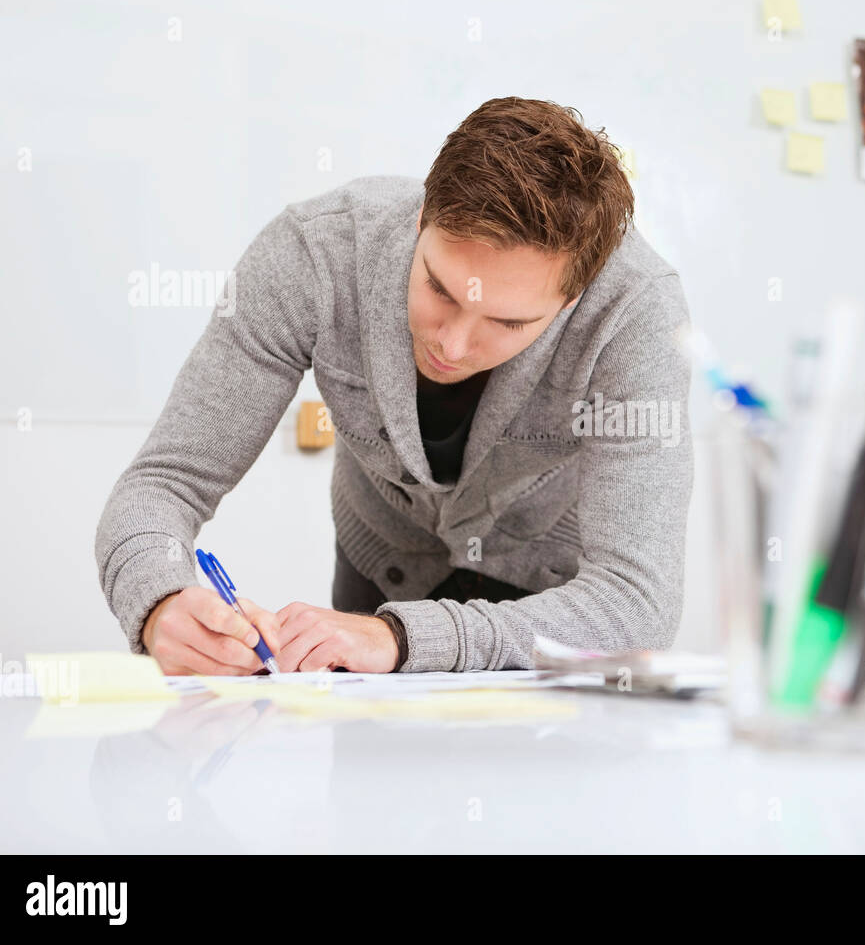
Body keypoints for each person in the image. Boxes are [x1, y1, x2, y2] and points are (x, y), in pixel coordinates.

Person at [95, 97, 693, 675]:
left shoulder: (636, 311)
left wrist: (405, 638)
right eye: (440, 288)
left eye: (508, 322)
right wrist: (160, 602)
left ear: (573, 299)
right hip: (381, 565)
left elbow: (635, 604)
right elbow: (164, 484)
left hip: (552, 600)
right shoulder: (314, 255)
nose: (453, 347)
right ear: (421, 219)